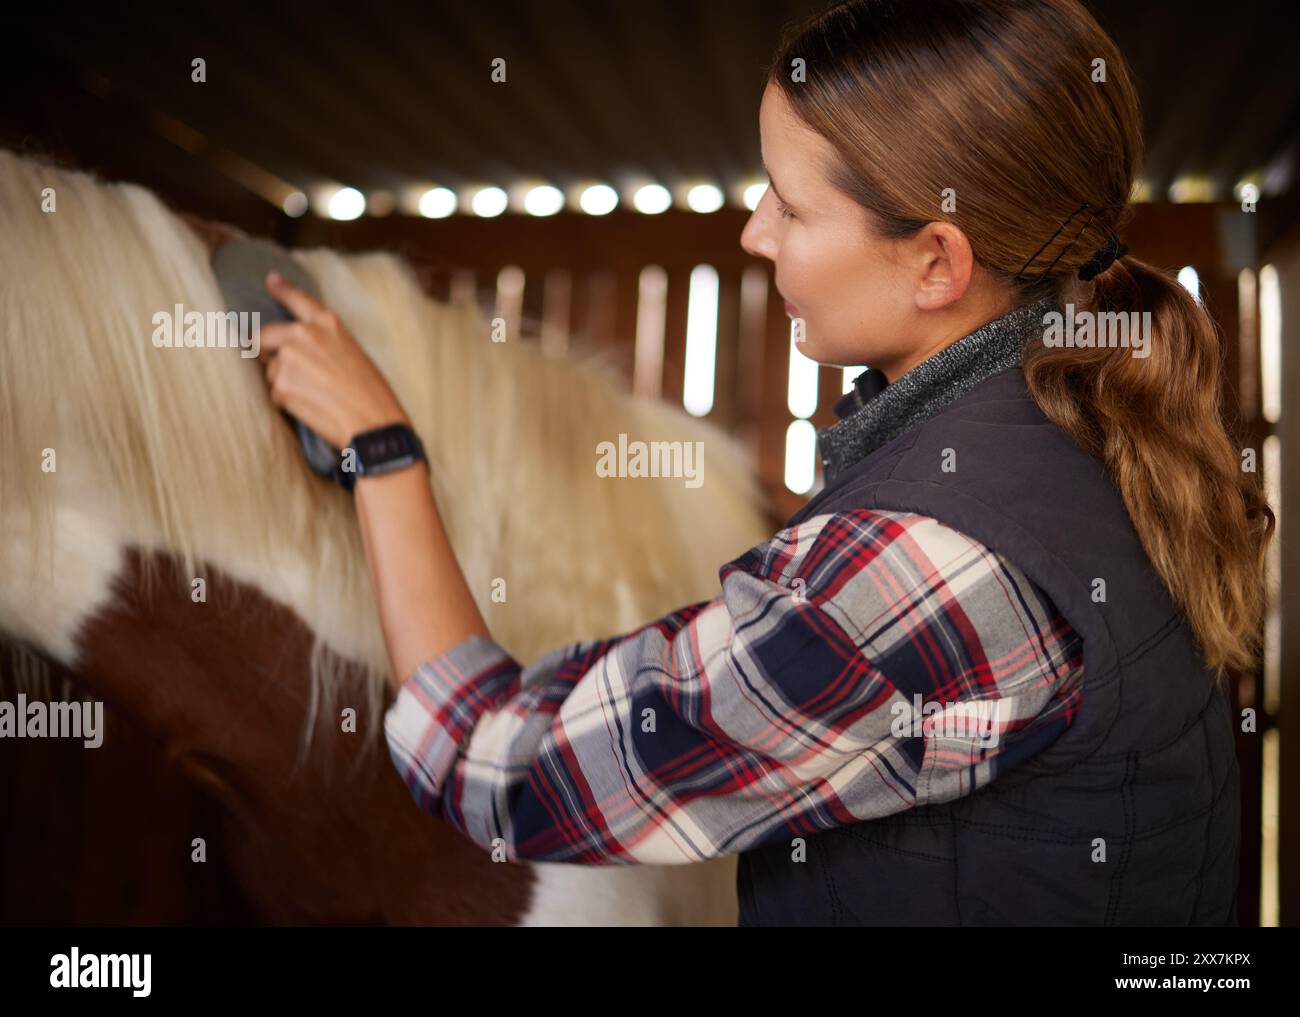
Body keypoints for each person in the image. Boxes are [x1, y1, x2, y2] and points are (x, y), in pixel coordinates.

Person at [255, 0, 1272, 925]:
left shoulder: (922, 561)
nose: (751, 232)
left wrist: (383, 454)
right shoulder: (1091, 419)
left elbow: (491, 767)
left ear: (936, 261)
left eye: (790, 207)